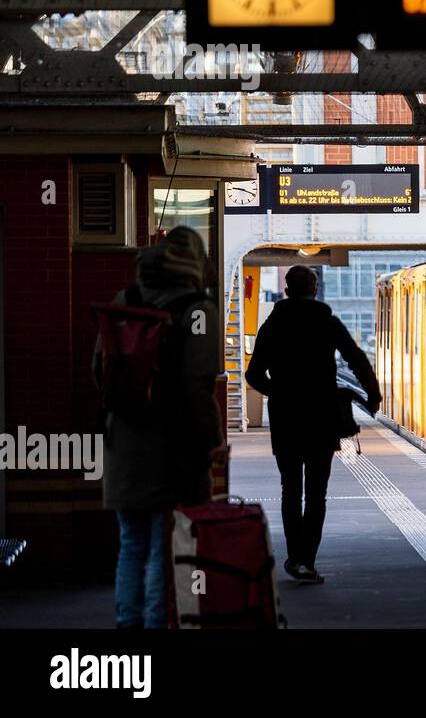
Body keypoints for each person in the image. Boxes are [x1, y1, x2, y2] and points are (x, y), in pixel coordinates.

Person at [95, 227, 224, 629]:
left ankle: (126, 624)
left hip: (124, 446)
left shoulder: (124, 300)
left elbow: (99, 372)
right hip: (173, 450)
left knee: (130, 545)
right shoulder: (198, 310)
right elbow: (196, 386)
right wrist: (212, 443)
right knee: (163, 547)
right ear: (195, 265)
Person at [245, 265, 381, 584]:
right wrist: (372, 394)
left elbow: (253, 375)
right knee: (317, 492)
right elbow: (356, 357)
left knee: (290, 490)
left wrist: (278, 392)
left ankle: (295, 558)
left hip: (286, 418)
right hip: (322, 418)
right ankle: (307, 560)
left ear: (287, 290)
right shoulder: (327, 322)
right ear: (315, 288)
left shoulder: (273, 325)